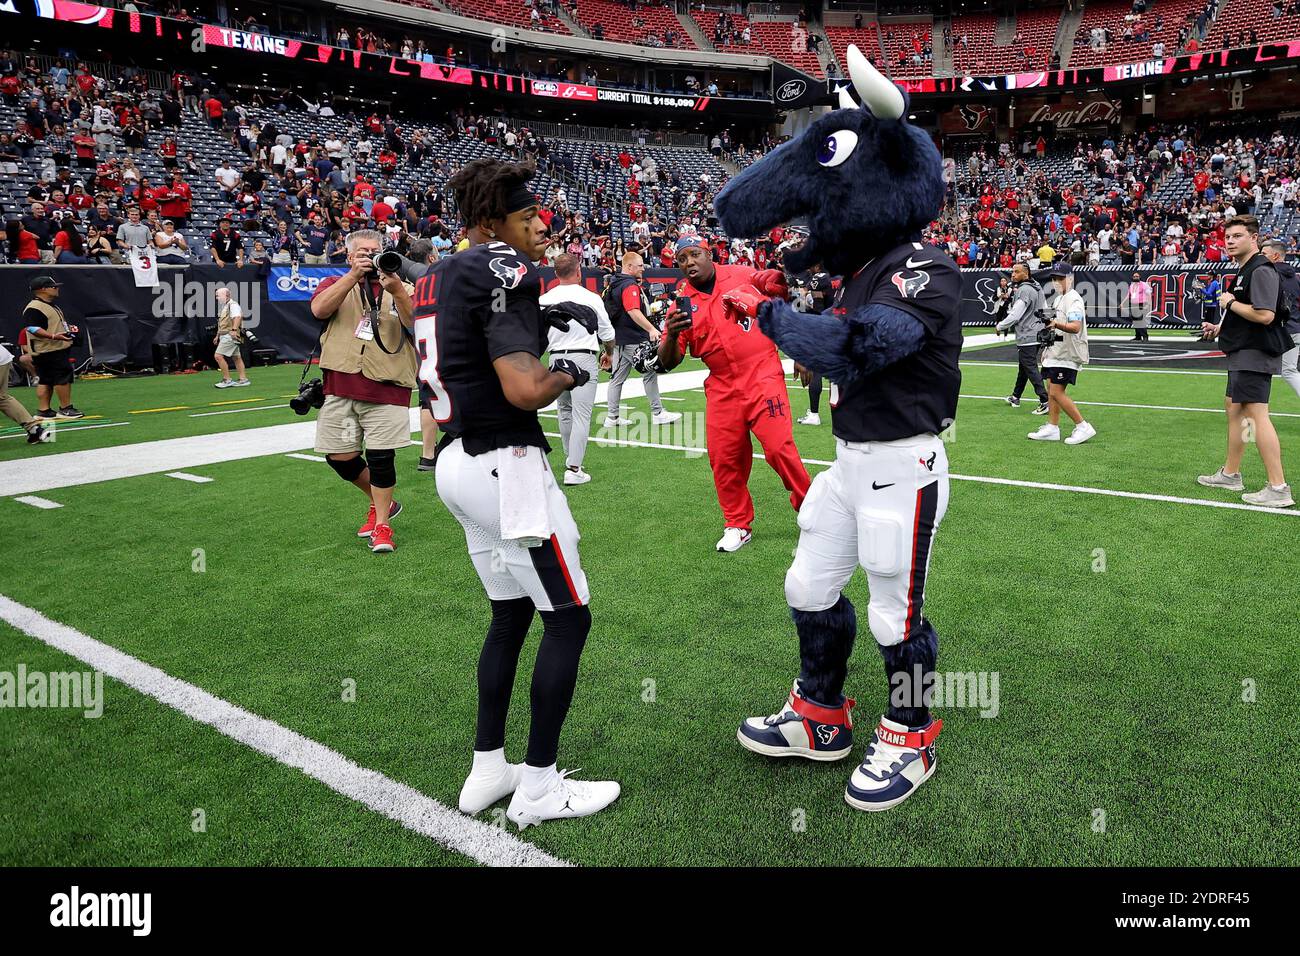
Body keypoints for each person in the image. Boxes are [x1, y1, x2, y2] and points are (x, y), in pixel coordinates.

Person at [414, 158, 619, 828]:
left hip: (455, 460)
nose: (542, 225)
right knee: (569, 615)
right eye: (528, 214)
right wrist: (566, 371)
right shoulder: (499, 268)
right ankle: (537, 788)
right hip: (506, 462)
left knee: (511, 615)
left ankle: (487, 768)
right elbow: (525, 389)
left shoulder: (437, 273)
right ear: (493, 217)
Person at [657, 237, 811, 552]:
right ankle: (737, 524)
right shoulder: (681, 303)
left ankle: (812, 510)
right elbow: (668, 361)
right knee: (723, 457)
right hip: (722, 385)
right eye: (682, 258)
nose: (689, 263)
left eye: (694, 254)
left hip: (762, 373)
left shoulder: (743, 275)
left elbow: (787, 297)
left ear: (709, 254)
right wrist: (671, 333)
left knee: (779, 448)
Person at [309, 230, 418, 552]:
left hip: (387, 384)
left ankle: (382, 525)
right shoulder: (333, 284)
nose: (370, 257)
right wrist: (353, 276)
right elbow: (319, 311)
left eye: (375, 252)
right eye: (362, 252)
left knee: (382, 458)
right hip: (341, 382)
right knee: (339, 456)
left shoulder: (400, 286)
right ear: (349, 255)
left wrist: (397, 290)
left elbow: (416, 321)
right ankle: (381, 501)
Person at [1197, 216, 1293, 508]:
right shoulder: (1244, 270)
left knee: (1256, 415)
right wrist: (1219, 328)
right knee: (1234, 409)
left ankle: (1278, 487)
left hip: (1254, 352)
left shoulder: (1261, 269)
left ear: (1254, 239)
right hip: (1242, 350)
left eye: (1237, 236)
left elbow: (1265, 315)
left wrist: (1230, 303)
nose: (1230, 241)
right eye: (1228, 237)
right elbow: (1243, 312)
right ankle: (1231, 473)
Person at [540, 252, 615, 485]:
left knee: (564, 410)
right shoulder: (590, 298)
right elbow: (608, 333)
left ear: (555, 273)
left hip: (555, 359)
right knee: (581, 415)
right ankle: (574, 468)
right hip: (583, 357)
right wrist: (609, 352)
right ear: (579, 271)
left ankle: (570, 459)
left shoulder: (544, 298)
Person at [602, 251, 679, 428]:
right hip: (633, 338)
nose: (642, 269)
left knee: (616, 378)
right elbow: (632, 310)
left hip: (619, 338)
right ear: (629, 267)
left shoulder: (614, 283)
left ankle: (612, 417)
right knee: (650, 373)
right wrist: (651, 329)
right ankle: (658, 412)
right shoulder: (629, 285)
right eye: (639, 266)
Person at [1028, 263, 1096, 444]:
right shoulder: (1059, 299)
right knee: (1051, 390)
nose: (1057, 282)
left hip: (1067, 353)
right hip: (1056, 351)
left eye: (1060, 278)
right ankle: (1052, 427)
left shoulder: (1073, 299)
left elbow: (1075, 327)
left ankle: (1083, 426)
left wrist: (1055, 324)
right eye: (1054, 278)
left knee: (1057, 392)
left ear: (1070, 278)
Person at [22, 276, 83, 420]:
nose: (57, 288)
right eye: (54, 286)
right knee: (61, 378)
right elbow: (32, 328)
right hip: (49, 349)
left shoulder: (49, 305)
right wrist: (54, 336)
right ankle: (65, 408)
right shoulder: (34, 307)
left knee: (46, 379)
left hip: (49, 348)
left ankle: (44, 411)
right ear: (43, 289)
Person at [995, 261, 1051, 413]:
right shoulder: (1037, 286)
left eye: (1016, 271)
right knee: (1024, 367)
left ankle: (1045, 400)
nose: (1013, 274)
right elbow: (1045, 308)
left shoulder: (1024, 289)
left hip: (1028, 335)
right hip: (1038, 333)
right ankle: (1015, 396)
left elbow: (1015, 315)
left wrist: (1000, 326)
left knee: (1030, 367)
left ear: (1025, 273)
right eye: (1012, 271)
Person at [1262, 239, 1300, 399]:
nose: (1261, 257)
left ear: (1276, 255)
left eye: (1264, 254)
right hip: (1295, 328)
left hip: (1277, 330)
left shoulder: (1269, 274)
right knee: (1289, 369)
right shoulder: (1295, 277)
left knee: (1260, 368)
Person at [0, 339, 49, 443]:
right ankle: (34, 429)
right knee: (2, 398)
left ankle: (34, 428)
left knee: (2, 398)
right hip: (2, 358)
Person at [212, 287, 250, 388]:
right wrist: (217, 336)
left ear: (226, 295)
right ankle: (243, 379)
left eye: (218, 295)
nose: (217, 298)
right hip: (227, 335)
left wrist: (233, 330)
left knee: (218, 356)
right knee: (236, 357)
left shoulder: (233, 305)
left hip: (230, 335)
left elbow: (237, 317)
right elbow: (222, 323)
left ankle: (227, 380)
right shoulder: (226, 306)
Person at [1123, 271, 1152, 340]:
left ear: (1139, 277)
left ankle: (1145, 336)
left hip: (1141, 304)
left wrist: (1148, 304)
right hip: (1133, 304)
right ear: (1132, 278)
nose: (1136, 277)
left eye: (1137, 276)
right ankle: (1138, 336)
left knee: (1140, 321)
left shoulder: (1144, 284)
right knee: (1135, 321)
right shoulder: (1132, 285)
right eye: (1134, 276)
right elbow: (1128, 295)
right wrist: (1122, 303)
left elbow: (1149, 294)